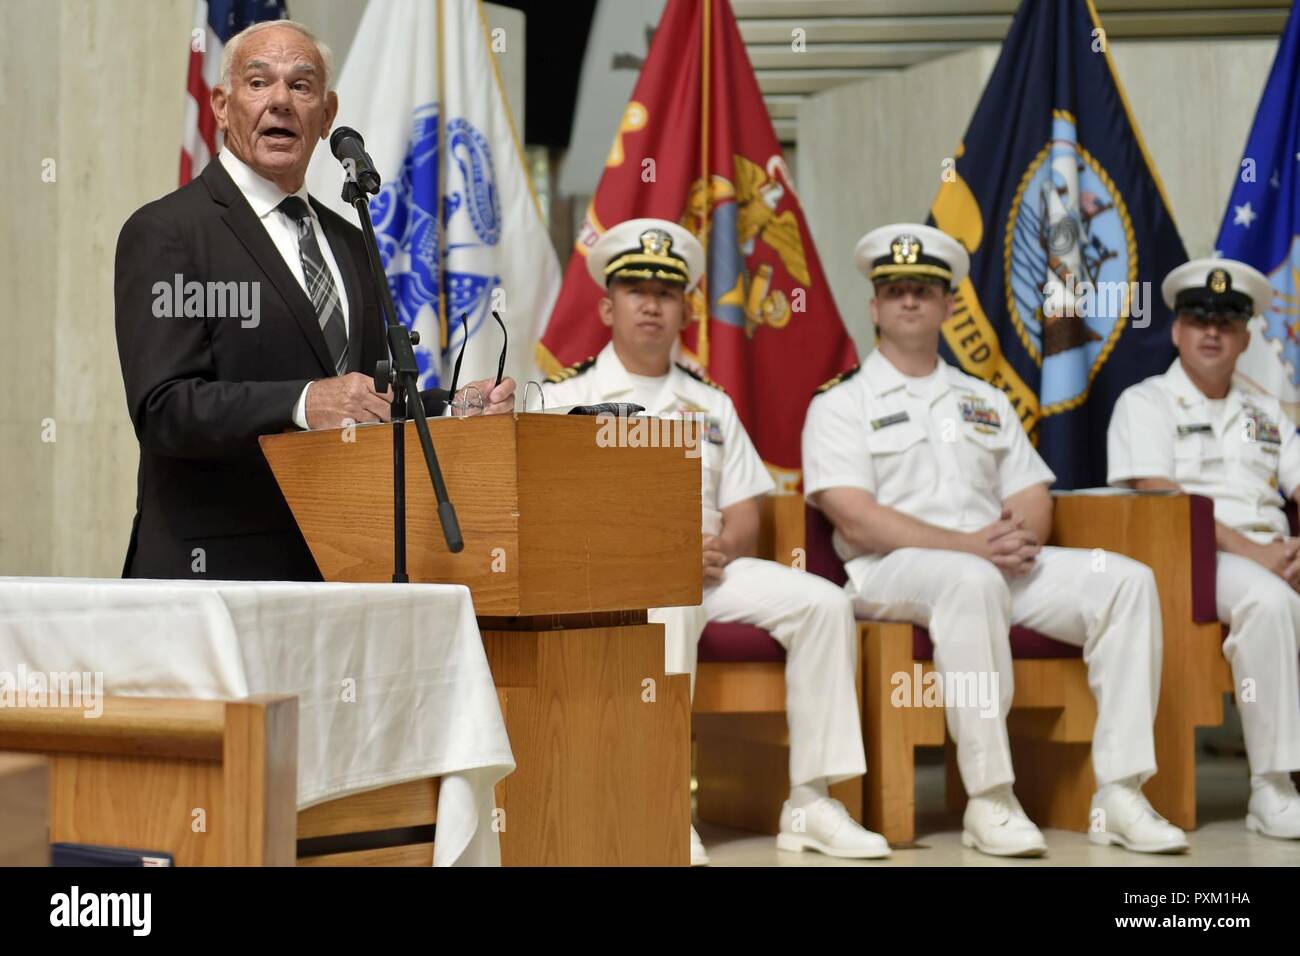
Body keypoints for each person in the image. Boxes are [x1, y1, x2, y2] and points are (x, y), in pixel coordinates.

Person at [802, 222, 1188, 857]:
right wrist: (973, 549)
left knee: (1126, 580)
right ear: (873, 306)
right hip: (888, 571)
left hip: (994, 565)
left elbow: (1032, 492)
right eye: (894, 289)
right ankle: (991, 797)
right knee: (971, 579)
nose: (908, 301)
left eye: (924, 291)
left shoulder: (985, 399)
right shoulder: (842, 402)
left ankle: (1120, 792)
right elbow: (854, 515)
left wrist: (1017, 538)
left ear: (948, 306)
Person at [114, 20, 513, 580]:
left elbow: (364, 397)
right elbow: (165, 410)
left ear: (326, 116)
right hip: (212, 575)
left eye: (301, 87)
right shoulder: (168, 232)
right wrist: (303, 403)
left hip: (343, 565)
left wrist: (449, 408)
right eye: (259, 83)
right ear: (222, 106)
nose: (280, 100)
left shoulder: (355, 239)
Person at [544, 218, 889, 865]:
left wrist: (719, 548)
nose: (651, 304)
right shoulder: (567, 398)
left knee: (824, 604)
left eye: (666, 293)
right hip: (619, 579)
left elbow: (744, 510)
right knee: (672, 600)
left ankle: (811, 800)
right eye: (636, 289)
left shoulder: (711, 403)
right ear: (606, 304)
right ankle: (665, 800)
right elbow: (552, 511)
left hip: (710, 567)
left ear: (685, 309)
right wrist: (656, 555)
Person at [1108, 257, 1300, 839]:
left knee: (1273, 591)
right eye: (1197, 319)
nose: (1211, 331)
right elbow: (1161, 497)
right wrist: (1257, 553)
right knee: (1268, 602)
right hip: (1186, 562)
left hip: (1273, 557)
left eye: (1225, 321)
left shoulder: (1267, 411)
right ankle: (1273, 786)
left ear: (1245, 337)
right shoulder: (1145, 403)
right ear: (1177, 331)